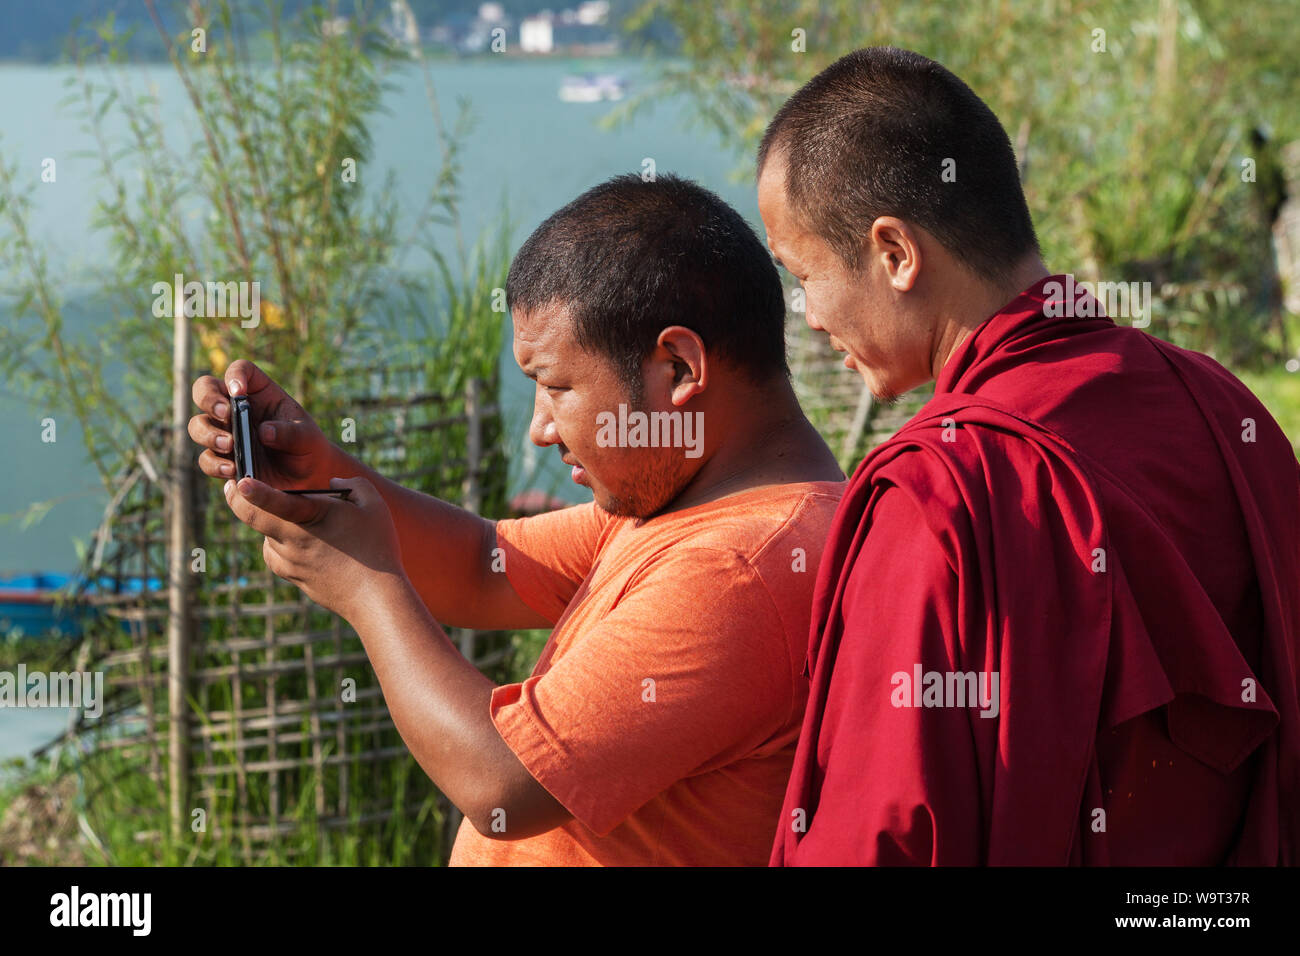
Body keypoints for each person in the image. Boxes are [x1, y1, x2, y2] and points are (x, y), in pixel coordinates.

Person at [189, 173, 845, 866]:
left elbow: (503, 782)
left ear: (679, 368)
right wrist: (320, 470)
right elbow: (484, 564)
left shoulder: (737, 568)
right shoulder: (686, 505)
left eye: (556, 386)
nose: (540, 429)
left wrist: (367, 589)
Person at [757, 47, 1300, 865]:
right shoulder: (1225, 407)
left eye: (804, 275)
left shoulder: (938, 491)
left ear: (895, 253)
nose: (809, 314)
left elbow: (878, 836)